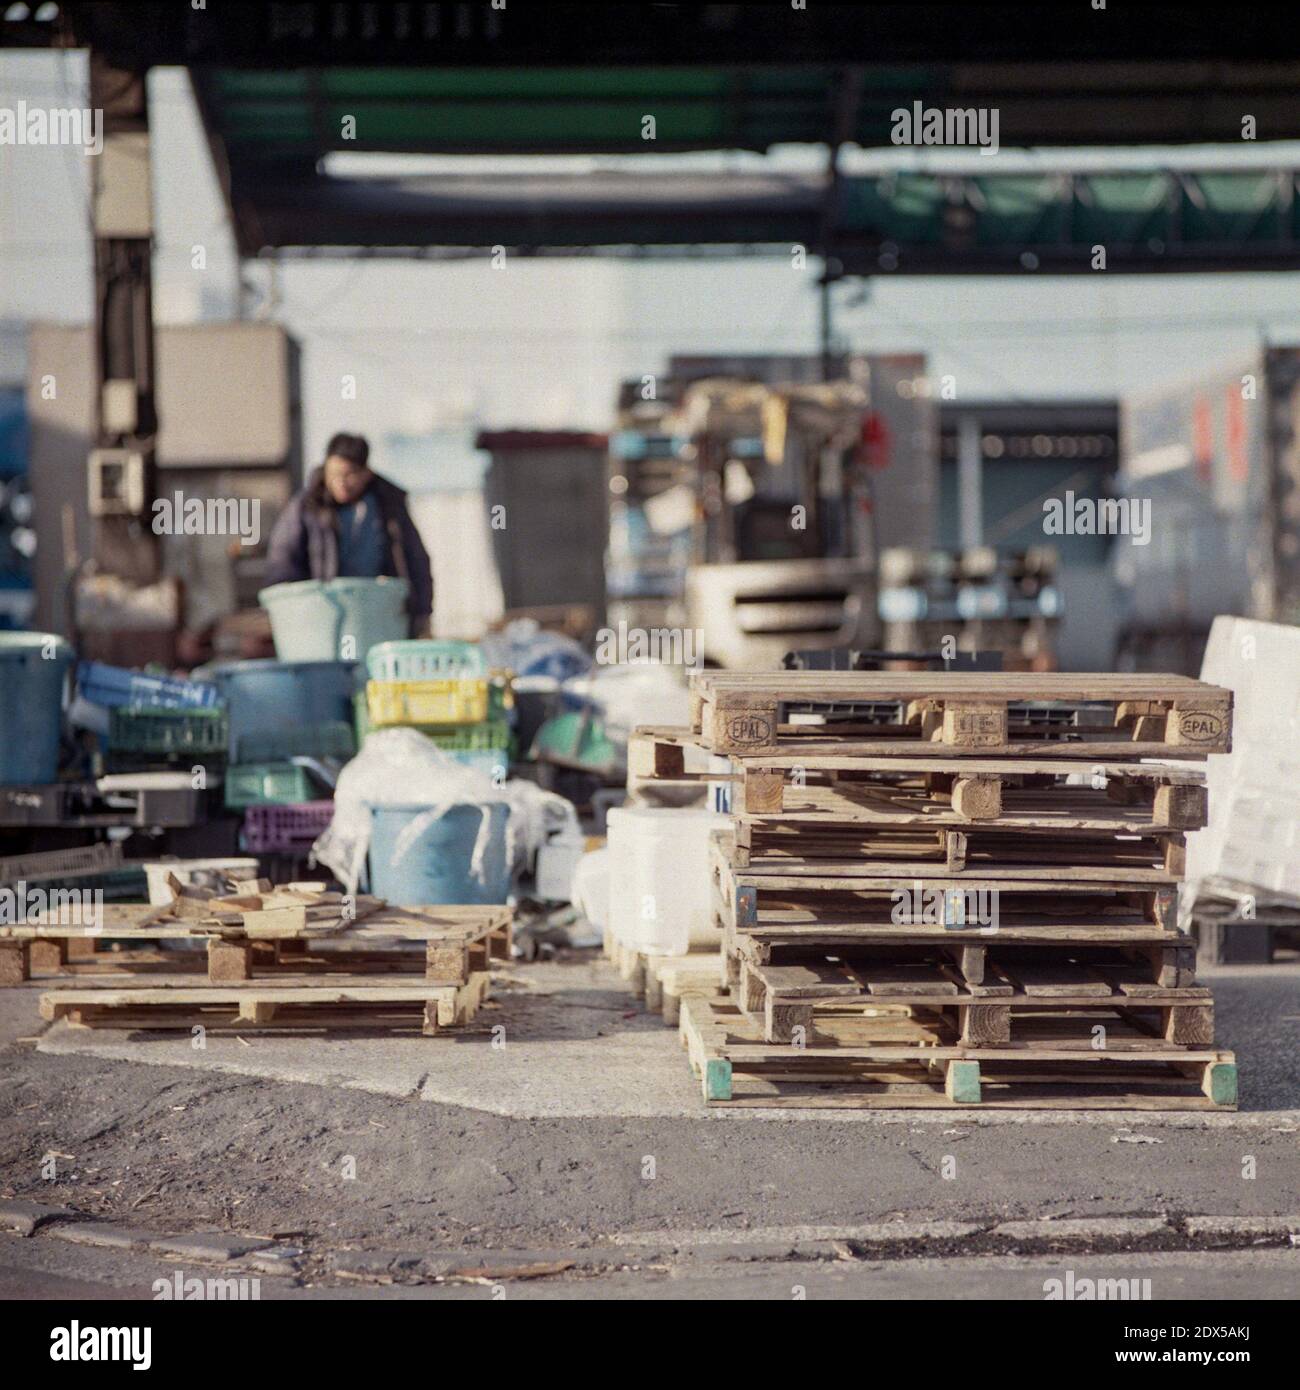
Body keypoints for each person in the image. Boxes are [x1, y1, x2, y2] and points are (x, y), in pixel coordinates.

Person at [265, 432, 433, 636]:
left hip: (378, 616)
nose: (341, 482)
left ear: (366, 473)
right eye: (334, 474)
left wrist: (422, 612)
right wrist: (292, 608)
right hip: (324, 618)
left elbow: (416, 561)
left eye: (350, 474)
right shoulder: (306, 507)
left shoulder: (389, 506)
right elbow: (283, 561)